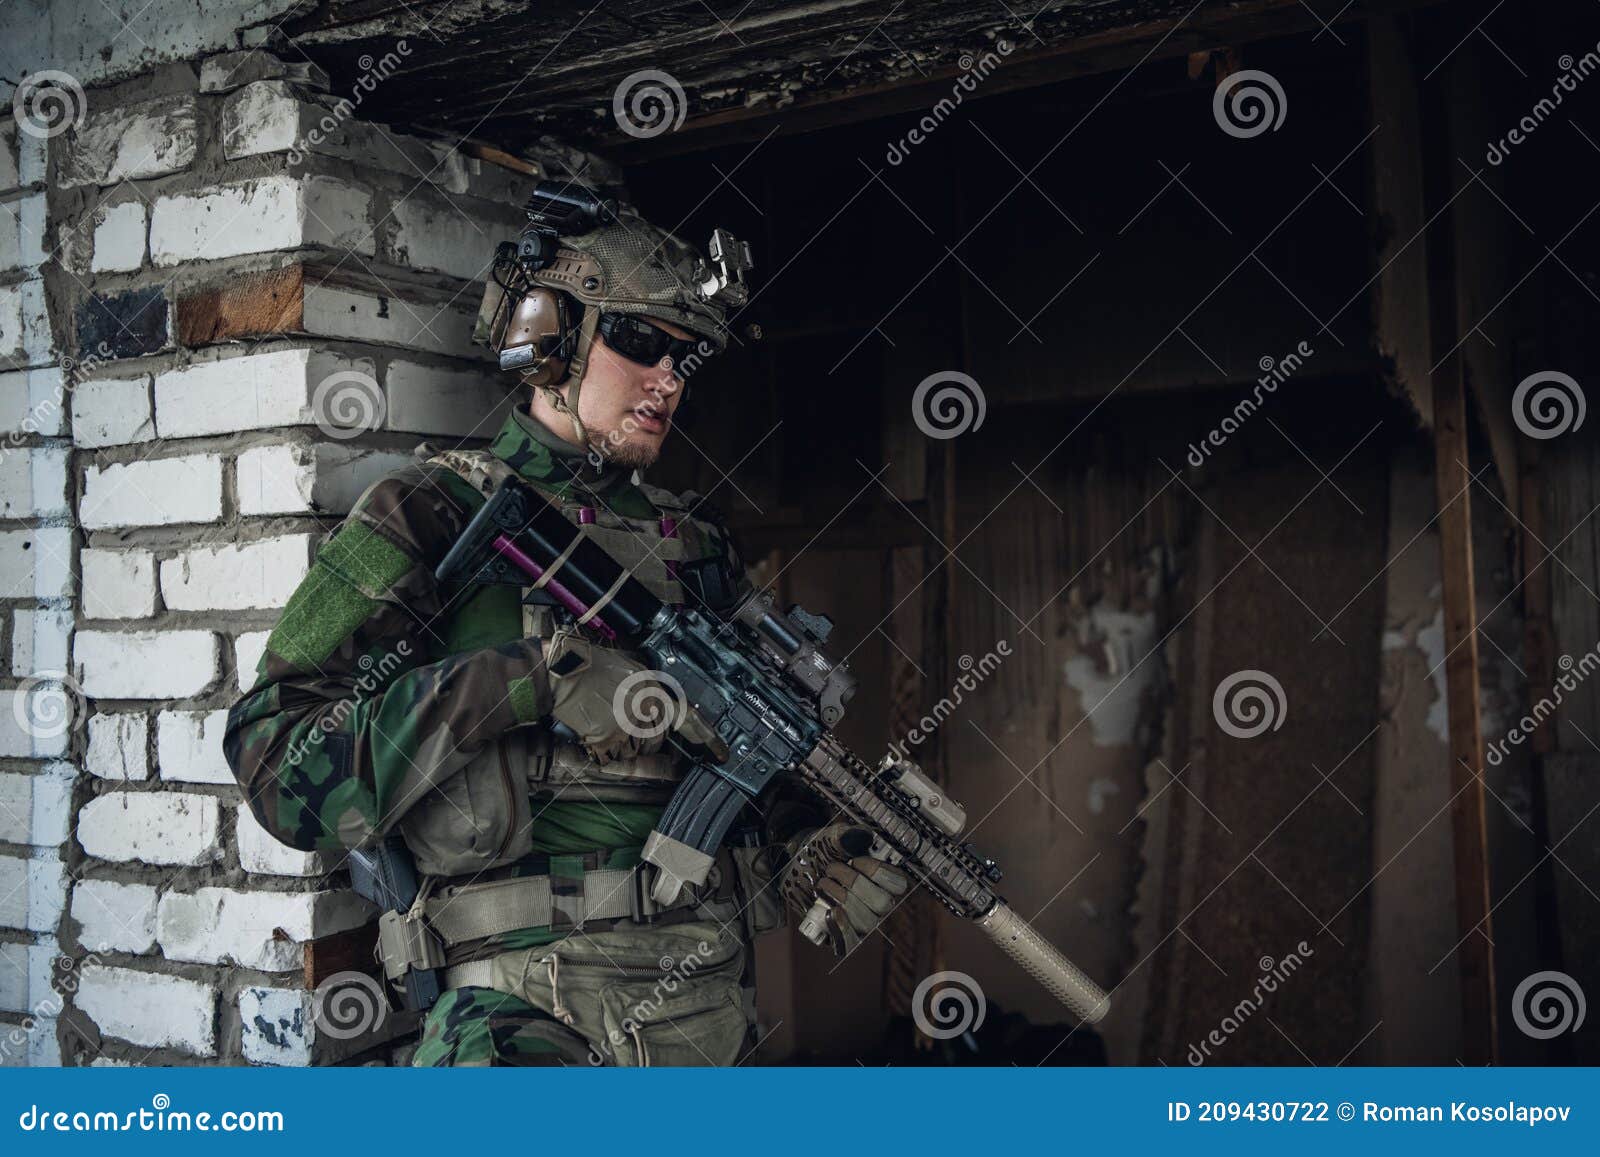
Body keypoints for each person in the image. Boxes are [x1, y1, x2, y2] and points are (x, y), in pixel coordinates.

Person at [223, 188, 908, 1066]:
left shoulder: (697, 547)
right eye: (639, 341)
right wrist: (532, 681)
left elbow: (744, 766)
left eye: (685, 355)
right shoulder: (431, 512)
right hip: (520, 1019)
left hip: (705, 1013)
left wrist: (809, 848)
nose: (670, 378)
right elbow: (279, 767)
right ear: (552, 338)